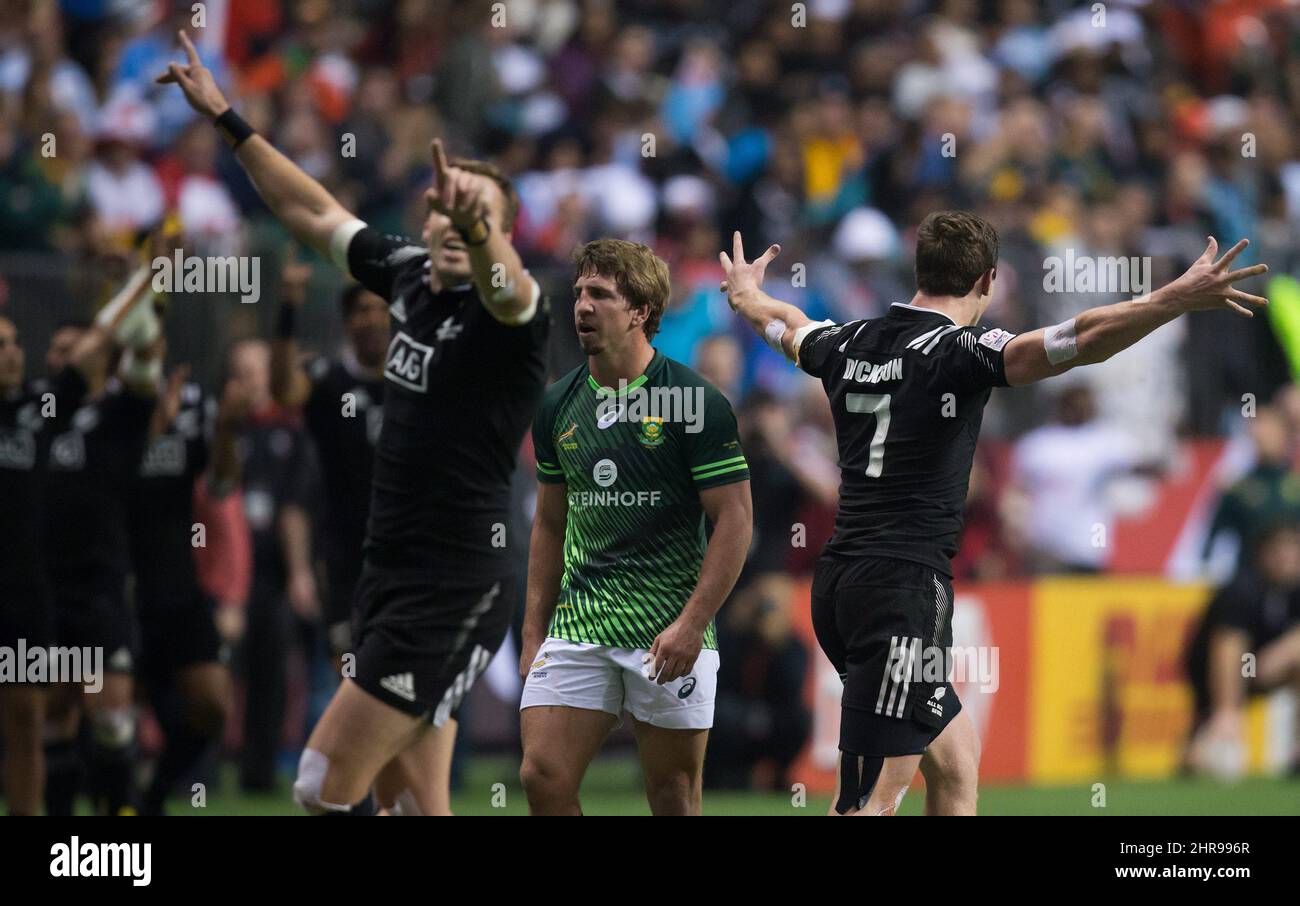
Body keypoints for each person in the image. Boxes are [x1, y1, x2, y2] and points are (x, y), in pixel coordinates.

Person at [720, 212, 1269, 815]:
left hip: (841, 585)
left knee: (955, 765)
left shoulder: (848, 342)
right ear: (988, 280)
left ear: (919, 271)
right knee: (868, 804)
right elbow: (1081, 338)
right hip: (903, 591)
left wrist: (746, 295)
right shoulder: (959, 351)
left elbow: (787, 326)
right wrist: (1174, 298)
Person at [158, 30, 549, 814]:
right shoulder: (408, 277)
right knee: (415, 807)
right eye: (442, 205)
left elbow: (507, 288)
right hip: (387, 573)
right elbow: (309, 207)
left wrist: (480, 229)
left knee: (320, 786)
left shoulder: (513, 319)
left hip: (456, 580)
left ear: (500, 232)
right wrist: (230, 120)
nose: (446, 219)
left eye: (471, 212)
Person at [518, 239, 752, 816]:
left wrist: (693, 624)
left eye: (600, 294)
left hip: (667, 631)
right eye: (578, 294)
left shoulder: (694, 401)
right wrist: (532, 632)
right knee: (542, 777)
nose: (581, 307)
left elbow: (735, 521)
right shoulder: (557, 404)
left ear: (642, 310)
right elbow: (549, 525)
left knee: (672, 798)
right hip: (579, 621)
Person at [42, 256, 167, 816]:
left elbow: (147, 361)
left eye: (75, 349)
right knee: (52, 724)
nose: (63, 358)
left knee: (113, 722)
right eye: (58, 350)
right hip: (39, 588)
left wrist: (146, 286)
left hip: (100, 586)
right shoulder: (31, 416)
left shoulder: (120, 415)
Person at [129, 361, 246, 814]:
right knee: (104, 716)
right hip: (114, 580)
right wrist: (154, 425)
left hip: (178, 585)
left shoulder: (193, 404)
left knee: (213, 707)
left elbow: (220, 484)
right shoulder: (106, 402)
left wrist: (225, 431)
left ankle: (153, 794)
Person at [270, 262, 389, 659]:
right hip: (344, 557)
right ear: (346, 323)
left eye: (380, 309)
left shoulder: (415, 384)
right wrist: (288, 306)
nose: (371, 319)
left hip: (408, 552)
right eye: (361, 311)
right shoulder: (327, 382)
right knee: (350, 670)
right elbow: (284, 389)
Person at [0, 314, 64, 815]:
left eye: (16, 342)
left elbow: (100, 347)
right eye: (0, 345)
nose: (12, 352)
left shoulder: (41, 409)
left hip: (24, 591)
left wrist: (148, 283)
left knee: (25, 722)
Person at [1184, 521, 1300, 779]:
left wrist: (1287, 649)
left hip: (1267, 668)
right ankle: (1220, 724)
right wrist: (1228, 710)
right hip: (1224, 674)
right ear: (1262, 553)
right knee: (1199, 763)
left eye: (1294, 549)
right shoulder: (1242, 589)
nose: (1287, 558)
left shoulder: (1294, 590)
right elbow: (1227, 649)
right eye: (1279, 550)